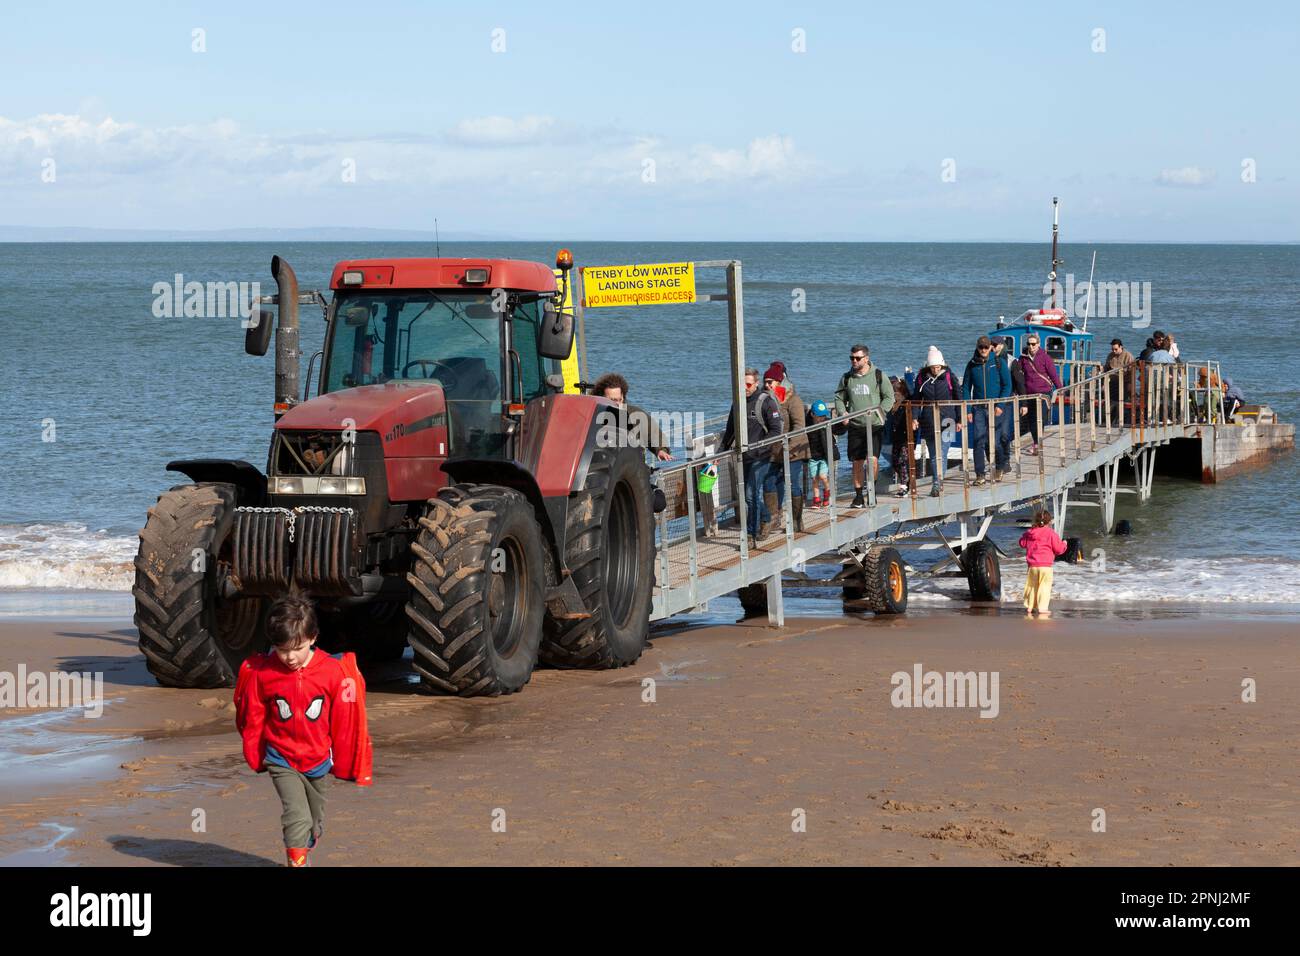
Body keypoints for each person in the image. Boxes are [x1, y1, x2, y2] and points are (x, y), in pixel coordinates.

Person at [234, 596, 373, 867]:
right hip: (281, 758)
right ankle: (297, 862)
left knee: (313, 820)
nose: (289, 657)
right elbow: (252, 714)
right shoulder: (263, 673)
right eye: (281, 649)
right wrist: (255, 751)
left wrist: (348, 760)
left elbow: (345, 719)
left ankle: (307, 841)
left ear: (313, 637)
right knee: (296, 815)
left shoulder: (333, 671)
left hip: (319, 759)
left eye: (296, 648)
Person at [721, 367, 784, 546]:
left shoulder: (766, 402)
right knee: (750, 495)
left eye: (748, 384)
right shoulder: (737, 403)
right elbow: (730, 431)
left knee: (750, 494)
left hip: (762, 456)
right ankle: (766, 517)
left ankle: (750, 535)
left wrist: (760, 446)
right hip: (744, 456)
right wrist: (720, 452)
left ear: (756, 384)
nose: (745, 388)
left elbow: (776, 430)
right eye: (742, 384)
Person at [834, 344, 894, 508]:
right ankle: (859, 496)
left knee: (873, 460)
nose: (854, 361)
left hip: (874, 425)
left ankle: (872, 492)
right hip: (855, 425)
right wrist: (843, 413)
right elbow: (839, 398)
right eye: (852, 358)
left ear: (866, 358)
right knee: (857, 462)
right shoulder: (847, 378)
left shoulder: (879, 375)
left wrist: (880, 413)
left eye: (857, 358)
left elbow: (889, 397)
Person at [764, 363, 809, 533]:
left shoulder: (793, 400)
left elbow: (799, 425)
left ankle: (797, 519)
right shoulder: (765, 400)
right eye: (765, 382)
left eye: (771, 382)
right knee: (769, 481)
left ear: (780, 381)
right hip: (773, 449)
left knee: (791, 482)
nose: (767, 385)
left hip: (795, 448)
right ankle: (773, 519)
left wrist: (789, 448)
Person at [911, 347, 962, 497]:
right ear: (928, 366)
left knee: (942, 453)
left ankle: (937, 483)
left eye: (938, 367)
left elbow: (958, 398)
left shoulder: (949, 377)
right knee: (934, 454)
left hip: (948, 420)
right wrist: (914, 417)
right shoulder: (921, 378)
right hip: (928, 420)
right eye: (933, 367)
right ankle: (938, 482)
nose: (936, 369)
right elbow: (916, 400)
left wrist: (959, 419)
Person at [962, 335, 1011, 485]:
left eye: (985, 347)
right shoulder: (971, 365)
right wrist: (968, 410)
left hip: (995, 408)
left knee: (994, 442)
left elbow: (1007, 386)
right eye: (980, 347)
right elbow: (965, 388)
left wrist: (1000, 405)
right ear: (977, 348)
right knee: (978, 441)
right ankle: (980, 475)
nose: (983, 350)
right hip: (978, 409)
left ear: (990, 347)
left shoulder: (998, 363)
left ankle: (1000, 466)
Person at [592, 373, 673, 461]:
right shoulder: (592, 415)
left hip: (631, 468)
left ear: (623, 397)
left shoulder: (634, 415)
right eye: (612, 400)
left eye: (620, 399)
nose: (618, 404)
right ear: (601, 398)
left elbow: (654, 434)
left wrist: (661, 450)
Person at [1019, 510, 1068, 618]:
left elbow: (1022, 543)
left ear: (1035, 521)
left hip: (1032, 566)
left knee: (1032, 586)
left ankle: (1030, 606)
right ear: (1049, 521)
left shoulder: (1030, 533)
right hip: (1045, 567)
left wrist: (1026, 534)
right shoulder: (1050, 533)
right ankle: (1042, 608)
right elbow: (1059, 549)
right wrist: (1064, 544)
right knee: (1044, 587)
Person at [1020, 332, 1062, 455]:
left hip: (1043, 393)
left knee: (1040, 419)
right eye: (1029, 344)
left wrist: (1060, 389)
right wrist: (1017, 390)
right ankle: (1036, 443)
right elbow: (1019, 375)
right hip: (1029, 393)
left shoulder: (1045, 357)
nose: (1031, 346)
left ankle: (1037, 444)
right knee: (1032, 420)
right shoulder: (1023, 358)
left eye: (1033, 344)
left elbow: (1053, 375)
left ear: (1038, 344)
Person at [805, 399, 839, 508]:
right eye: (819, 416)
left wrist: (844, 424)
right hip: (813, 456)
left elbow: (839, 429)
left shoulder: (827, 422)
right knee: (814, 479)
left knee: (823, 476)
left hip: (825, 455)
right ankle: (816, 499)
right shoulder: (807, 424)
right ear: (812, 414)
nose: (822, 418)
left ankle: (827, 493)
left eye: (824, 415)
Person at [887, 377, 913, 496]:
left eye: (896, 393)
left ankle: (904, 485)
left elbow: (912, 392)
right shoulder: (892, 405)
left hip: (906, 436)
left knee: (903, 460)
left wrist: (905, 380)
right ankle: (907, 479)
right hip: (895, 436)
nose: (894, 396)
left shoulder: (907, 402)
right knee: (895, 461)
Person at [1103, 338, 1135, 425]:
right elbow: (1106, 368)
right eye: (1112, 349)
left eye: (1116, 349)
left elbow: (1132, 371)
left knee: (1121, 402)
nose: (1114, 351)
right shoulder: (1110, 355)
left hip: (1124, 382)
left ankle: (1120, 421)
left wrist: (1130, 384)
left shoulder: (1128, 356)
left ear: (1121, 347)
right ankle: (1110, 421)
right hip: (1112, 382)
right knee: (1111, 402)